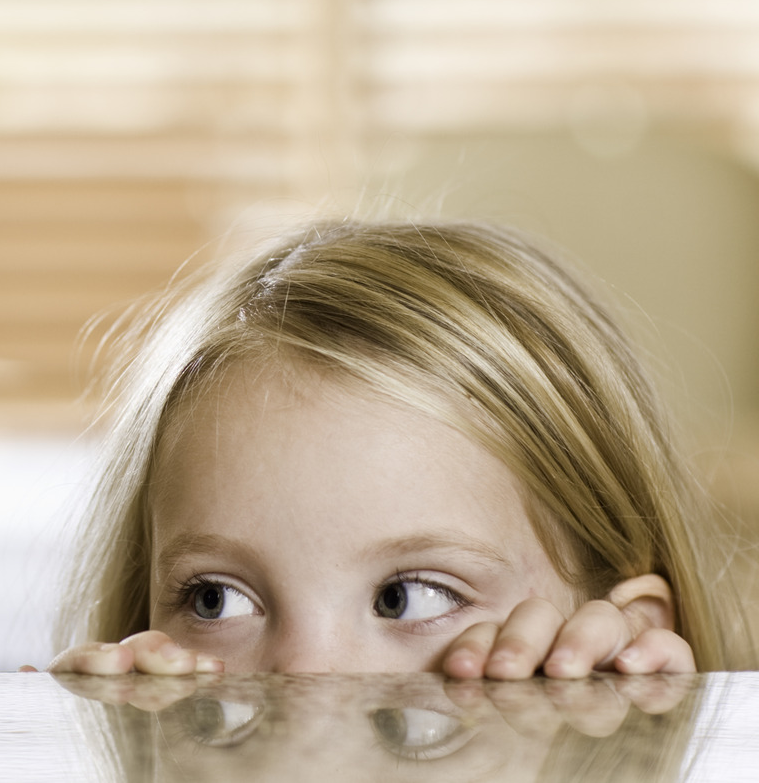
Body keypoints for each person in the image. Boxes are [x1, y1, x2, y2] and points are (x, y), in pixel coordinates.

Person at [44, 219, 751, 678]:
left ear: (622, 644)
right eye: (214, 601)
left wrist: (625, 743)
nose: (307, 678)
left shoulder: (613, 698)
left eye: (406, 597)